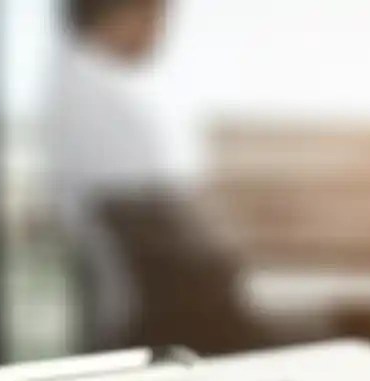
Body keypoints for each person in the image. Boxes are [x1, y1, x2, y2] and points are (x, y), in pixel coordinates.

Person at [47, 0, 255, 353]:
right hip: (149, 305)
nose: (160, 34)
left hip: (151, 292)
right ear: (120, 14)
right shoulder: (94, 95)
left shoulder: (97, 82)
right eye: (155, 20)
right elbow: (141, 210)